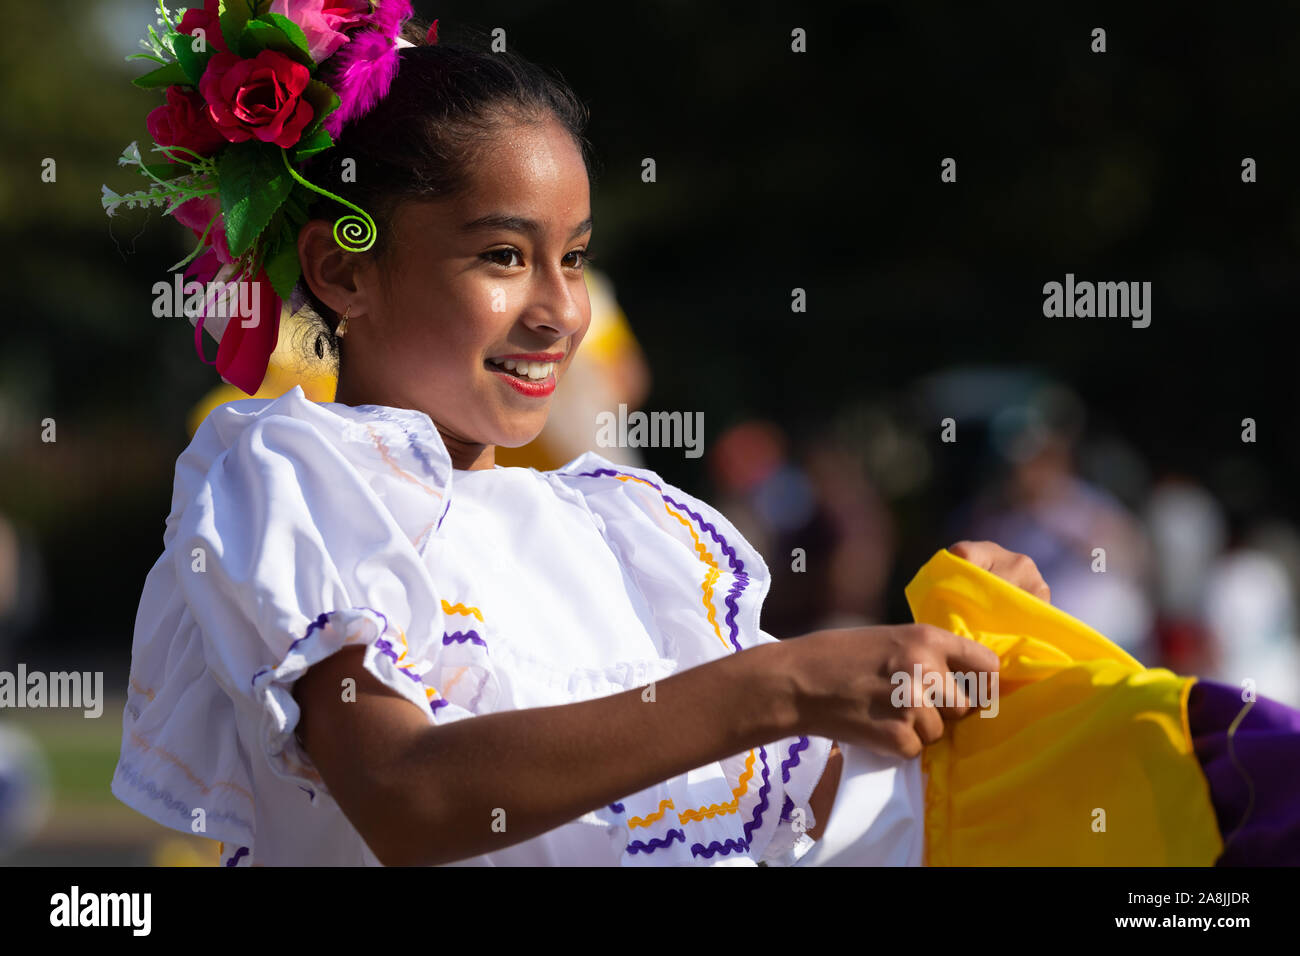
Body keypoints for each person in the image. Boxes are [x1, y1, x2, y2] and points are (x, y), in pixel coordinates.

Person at [107, 6, 1298, 867]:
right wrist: (776, 685)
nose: (559, 309)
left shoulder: (612, 528)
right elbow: (410, 799)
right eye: (501, 254)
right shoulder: (290, 472)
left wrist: (940, 664)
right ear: (340, 269)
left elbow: (762, 801)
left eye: (571, 258)